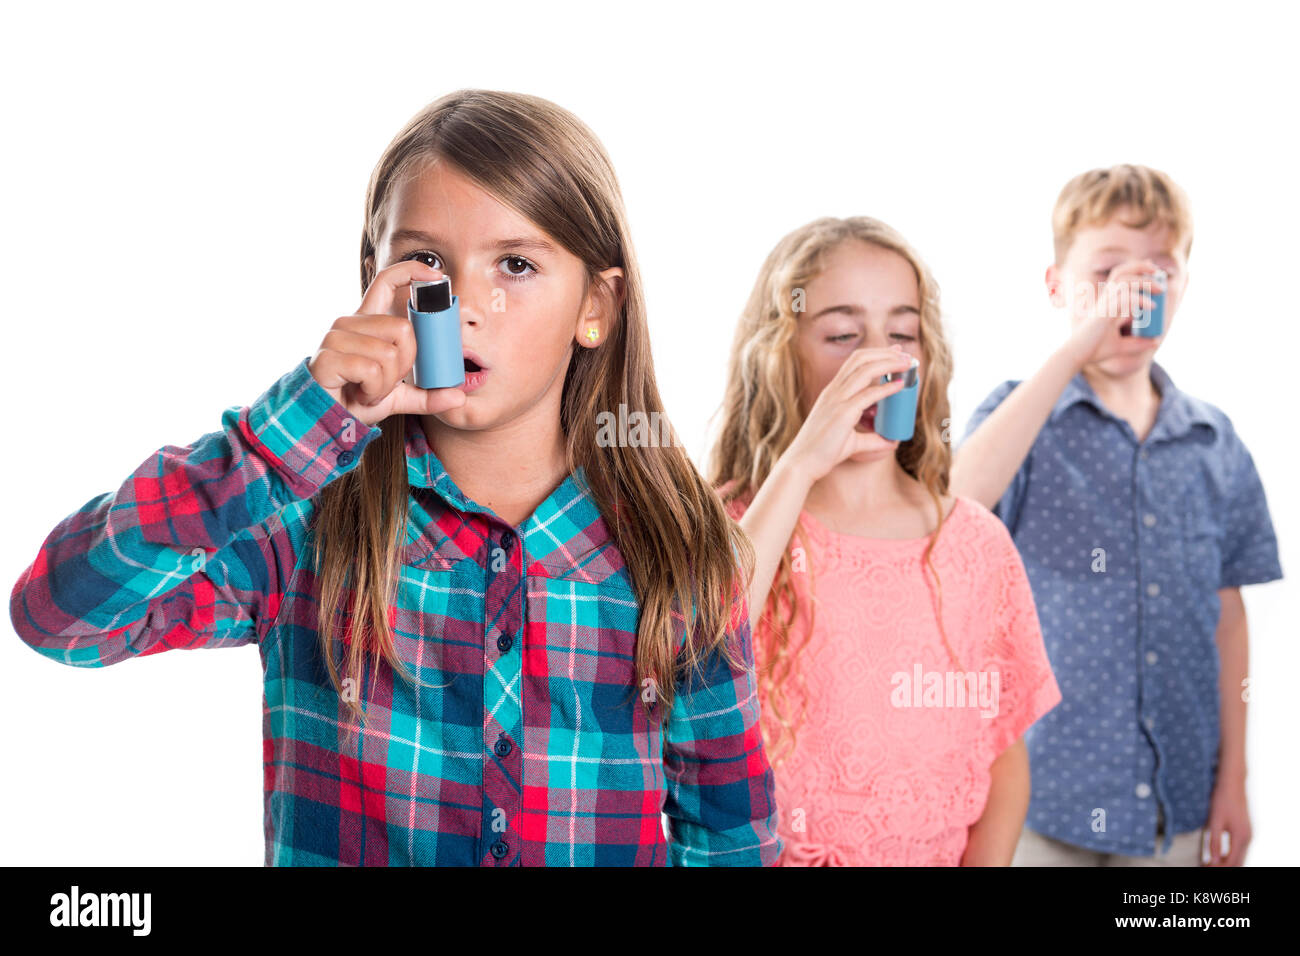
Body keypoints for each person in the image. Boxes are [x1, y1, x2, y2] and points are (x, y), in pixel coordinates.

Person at [10, 89, 780, 867]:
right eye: (427, 264)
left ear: (597, 306)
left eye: (515, 264)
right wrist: (296, 430)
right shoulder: (305, 521)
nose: (466, 305)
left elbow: (729, 836)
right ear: (374, 281)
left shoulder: (675, 549)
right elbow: (61, 618)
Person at [953, 164, 1283, 866]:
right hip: (1042, 802)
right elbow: (952, 506)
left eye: (1158, 270)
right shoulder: (1022, 416)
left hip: (1179, 807)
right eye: (1105, 272)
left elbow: (1228, 618)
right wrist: (1082, 342)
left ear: (1184, 285)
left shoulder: (1214, 442)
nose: (1133, 293)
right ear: (1056, 286)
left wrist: (1235, 782)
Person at [710, 215, 1060, 865]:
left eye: (902, 333)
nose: (881, 358)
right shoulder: (731, 526)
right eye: (843, 334)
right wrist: (801, 464)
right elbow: (694, 650)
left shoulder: (976, 544)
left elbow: (1003, 754)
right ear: (780, 355)